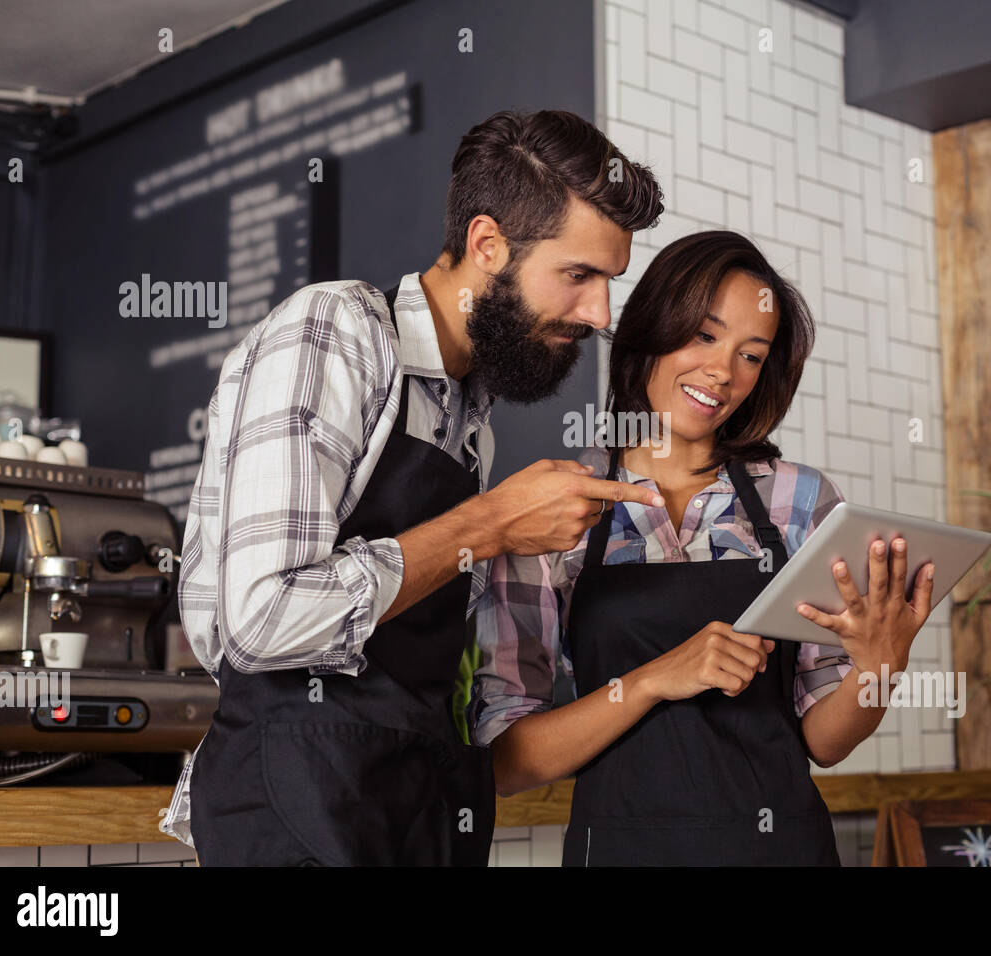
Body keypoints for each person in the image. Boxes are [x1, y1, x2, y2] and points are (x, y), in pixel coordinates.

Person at [159, 108, 666, 866]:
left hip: (415, 796)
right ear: (488, 245)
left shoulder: (469, 414)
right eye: (579, 275)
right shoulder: (336, 333)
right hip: (299, 797)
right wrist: (492, 523)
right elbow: (261, 619)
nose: (598, 314)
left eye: (609, 282)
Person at [470, 230, 937, 866]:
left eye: (752, 355)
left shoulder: (798, 502)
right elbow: (507, 759)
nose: (723, 372)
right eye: (705, 335)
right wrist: (653, 681)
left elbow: (825, 741)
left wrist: (882, 666)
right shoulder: (556, 507)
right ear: (652, 330)